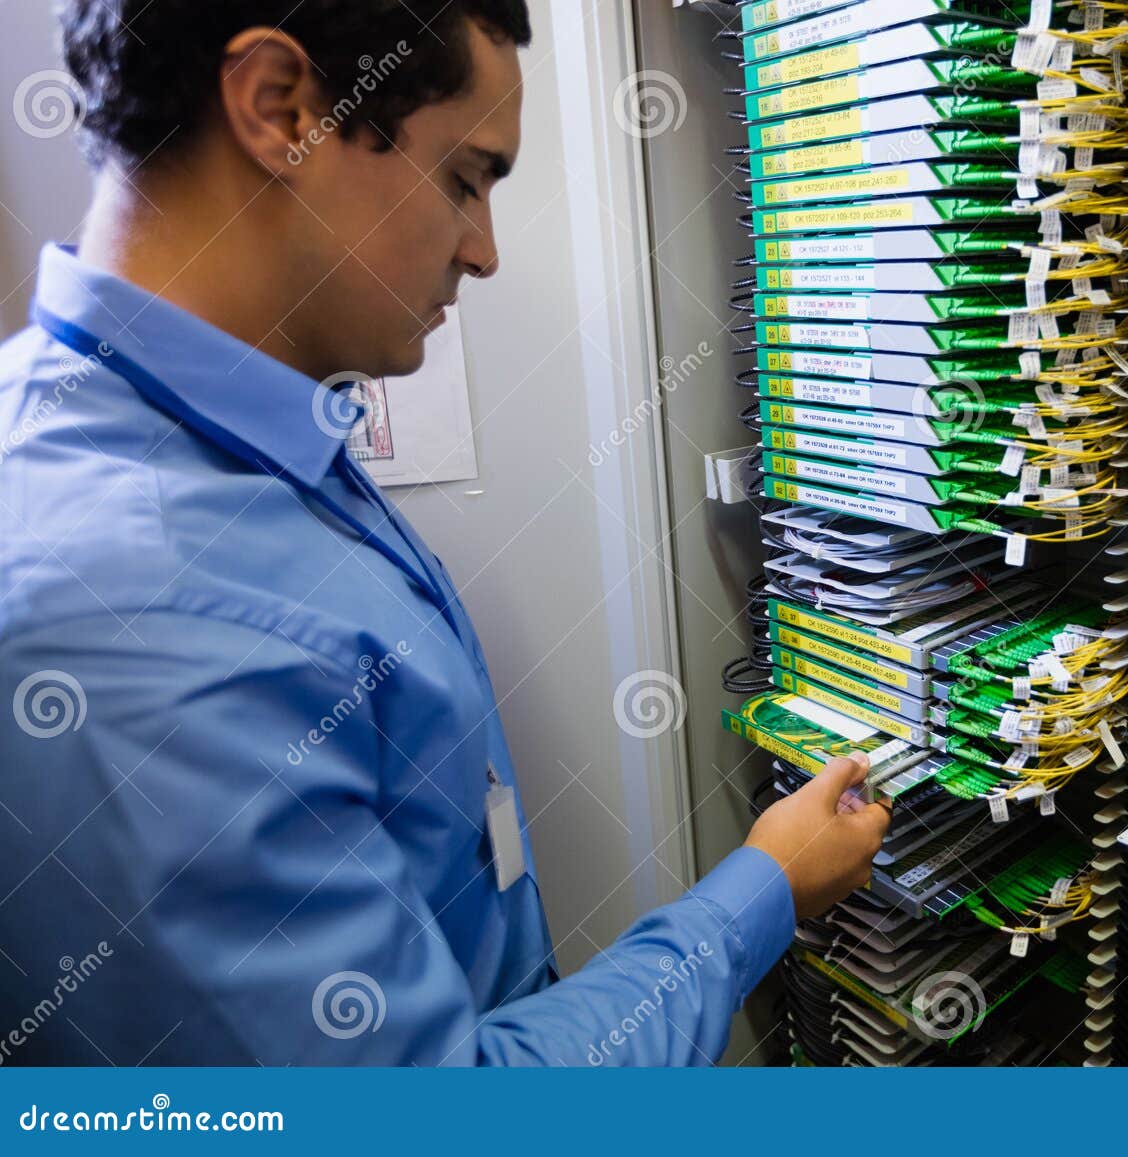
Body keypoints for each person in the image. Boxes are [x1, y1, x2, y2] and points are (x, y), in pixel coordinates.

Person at [0, 0, 888, 1066]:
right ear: (281, 108)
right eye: (464, 178)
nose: (484, 250)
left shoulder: (236, 429)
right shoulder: (138, 607)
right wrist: (764, 892)